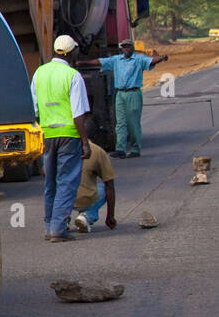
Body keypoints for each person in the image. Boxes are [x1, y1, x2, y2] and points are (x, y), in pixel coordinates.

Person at [32, 35, 93, 242]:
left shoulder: (39, 73)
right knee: (66, 182)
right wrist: (84, 141)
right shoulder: (72, 75)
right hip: (68, 135)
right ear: (70, 53)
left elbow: (35, 109)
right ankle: (58, 229)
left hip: (46, 134)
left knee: (50, 183)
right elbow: (78, 114)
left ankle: (50, 226)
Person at [78, 41, 168, 158]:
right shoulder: (117, 60)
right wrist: (83, 62)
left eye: (128, 46)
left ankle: (135, 149)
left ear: (132, 47)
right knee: (120, 123)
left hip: (133, 93)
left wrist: (162, 58)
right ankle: (120, 149)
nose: (125, 49)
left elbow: (151, 61)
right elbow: (100, 61)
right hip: (120, 94)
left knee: (133, 123)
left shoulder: (139, 59)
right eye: (123, 47)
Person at [71, 141, 117, 233]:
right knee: (103, 188)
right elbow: (109, 185)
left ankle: (61, 219)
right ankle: (86, 216)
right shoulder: (97, 151)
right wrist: (110, 216)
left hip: (63, 199)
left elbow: (45, 172)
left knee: (55, 187)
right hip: (84, 198)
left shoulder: (60, 148)